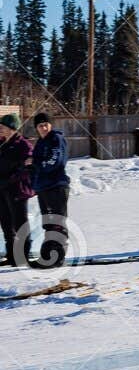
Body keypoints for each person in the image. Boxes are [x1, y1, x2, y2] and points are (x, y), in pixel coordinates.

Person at [27, 113, 71, 269]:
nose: (44, 128)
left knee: (57, 223)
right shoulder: (41, 142)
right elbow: (36, 167)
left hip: (56, 186)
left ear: (51, 125)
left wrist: (35, 163)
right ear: (36, 128)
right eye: (40, 126)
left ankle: (57, 257)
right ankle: (47, 256)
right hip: (44, 187)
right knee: (48, 223)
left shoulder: (55, 139)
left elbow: (54, 162)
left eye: (46, 124)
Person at [0, 114, 34, 268]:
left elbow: (27, 167)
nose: (0, 129)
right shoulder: (2, 143)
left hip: (17, 190)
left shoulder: (23, 145)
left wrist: (10, 179)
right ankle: (11, 255)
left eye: (3, 126)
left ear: (12, 128)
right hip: (2, 190)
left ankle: (22, 256)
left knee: (20, 223)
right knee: (6, 224)